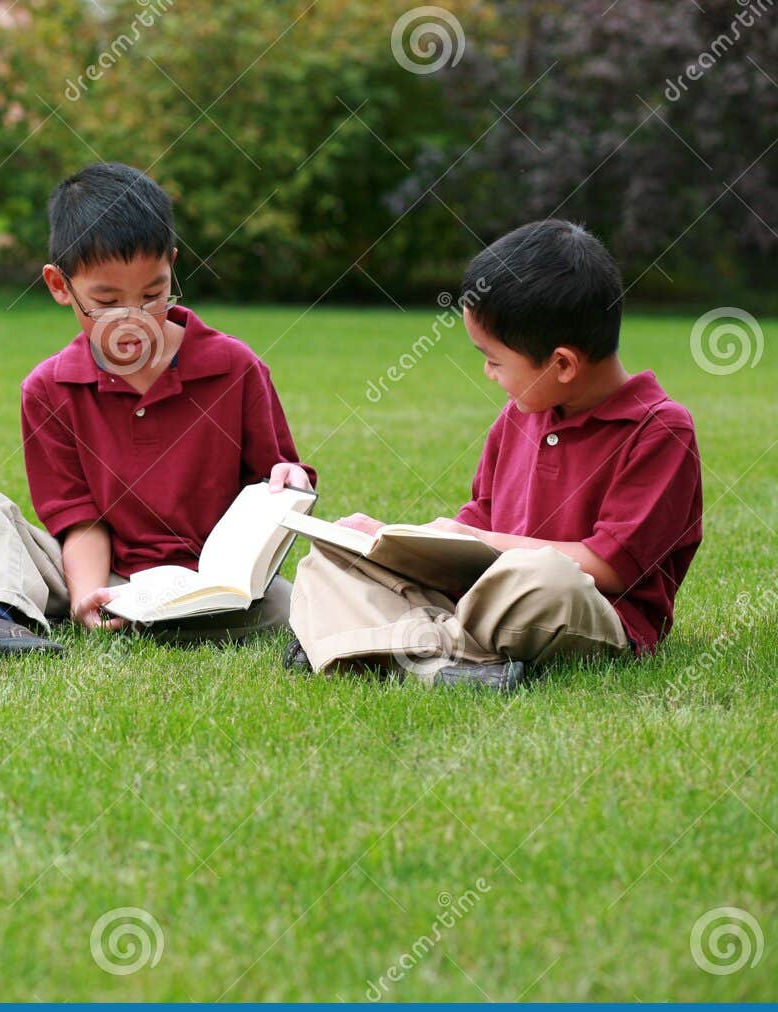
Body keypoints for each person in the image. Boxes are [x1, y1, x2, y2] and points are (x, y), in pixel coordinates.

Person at [0, 162, 313, 666]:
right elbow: (80, 521)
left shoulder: (234, 368)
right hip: (98, 580)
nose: (133, 320)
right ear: (59, 286)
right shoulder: (48, 389)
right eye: (107, 302)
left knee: (302, 600)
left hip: (211, 592)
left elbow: (274, 490)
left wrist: (288, 482)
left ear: (172, 266)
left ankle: (158, 622)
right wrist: (91, 596)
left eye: (153, 295)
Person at [287, 219, 703, 691]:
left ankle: (365, 646)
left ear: (562, 364)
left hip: (586, 612)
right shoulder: (519, 414)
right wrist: (390, 541)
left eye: (494, 359)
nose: (487, 372)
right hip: (480, 600)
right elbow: (479, 520)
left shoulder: (660, 429)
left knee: (541, 579)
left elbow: (608, 567)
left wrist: (476, 540)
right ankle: (448, 667)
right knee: (329, 559)